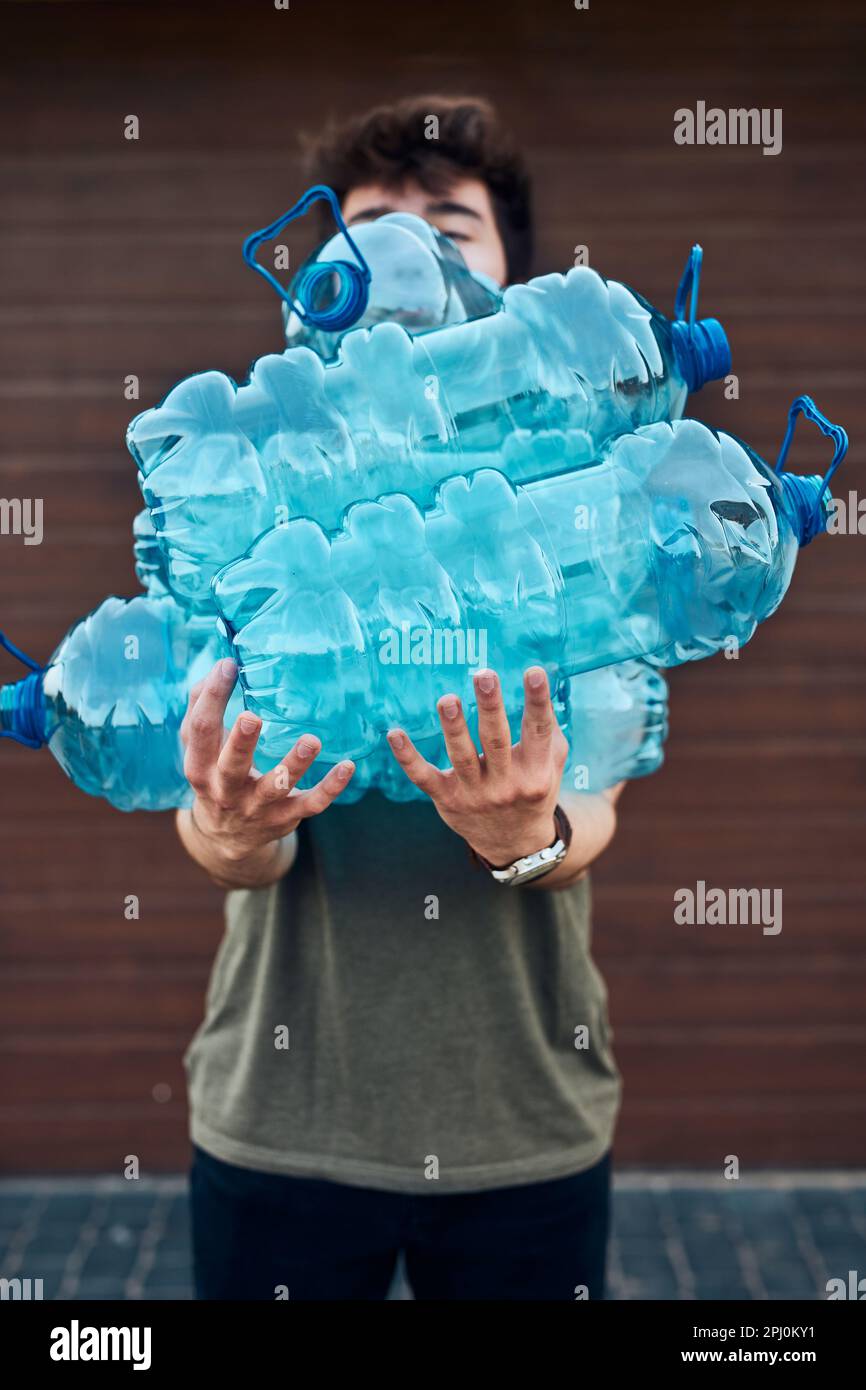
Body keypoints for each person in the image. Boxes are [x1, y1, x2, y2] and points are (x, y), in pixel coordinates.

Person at [178, 95, 624, 1302]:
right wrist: (232, 826)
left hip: (520, 1117)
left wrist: (523, 838)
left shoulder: (574, 508)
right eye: (368, 220)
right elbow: (211, 817)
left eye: (448, 222)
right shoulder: (246, 488)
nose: (403, 251)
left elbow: (593, 807)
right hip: (281, 1111)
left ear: (511, 282)